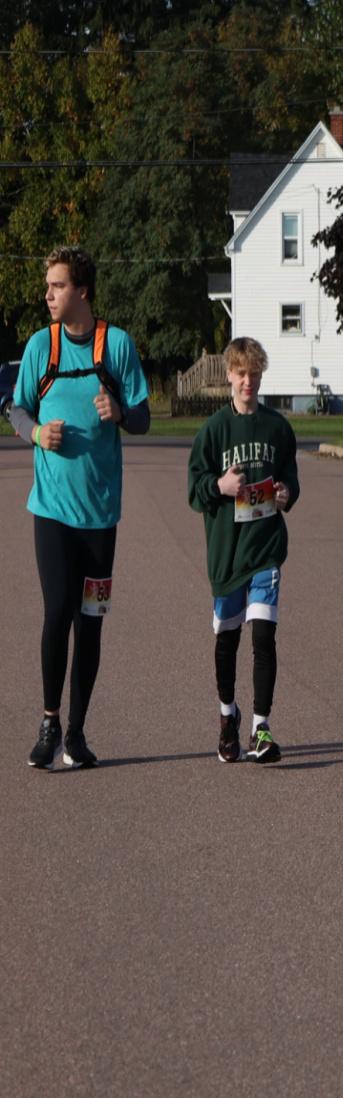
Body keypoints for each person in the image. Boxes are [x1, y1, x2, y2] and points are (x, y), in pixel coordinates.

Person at [11, 246, 150, 769]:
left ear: (82, 291)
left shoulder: (114, 345)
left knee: (91, 620)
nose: (48, 294)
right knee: (57, 611)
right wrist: (35, 434)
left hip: (100, 516)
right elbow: (17, 408)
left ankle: (77, 733)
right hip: (50, 510)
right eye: (48, 285)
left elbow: (142, 417)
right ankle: (48, 723)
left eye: (57, 285)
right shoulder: (38, 348)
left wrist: (118, 412)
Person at [186, 337, 300, 763]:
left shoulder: (277, 428)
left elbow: (290, 473)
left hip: (266, 547)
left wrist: (289, 491)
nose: (247, 381)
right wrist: (220, 486)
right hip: (226, 555)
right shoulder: (213, 431)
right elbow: (195, 491)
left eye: (254, 373)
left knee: (264, 635)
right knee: (227, 639)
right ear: (229, 376)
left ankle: (261, 728)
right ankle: (226, 716)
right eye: (241, 373)